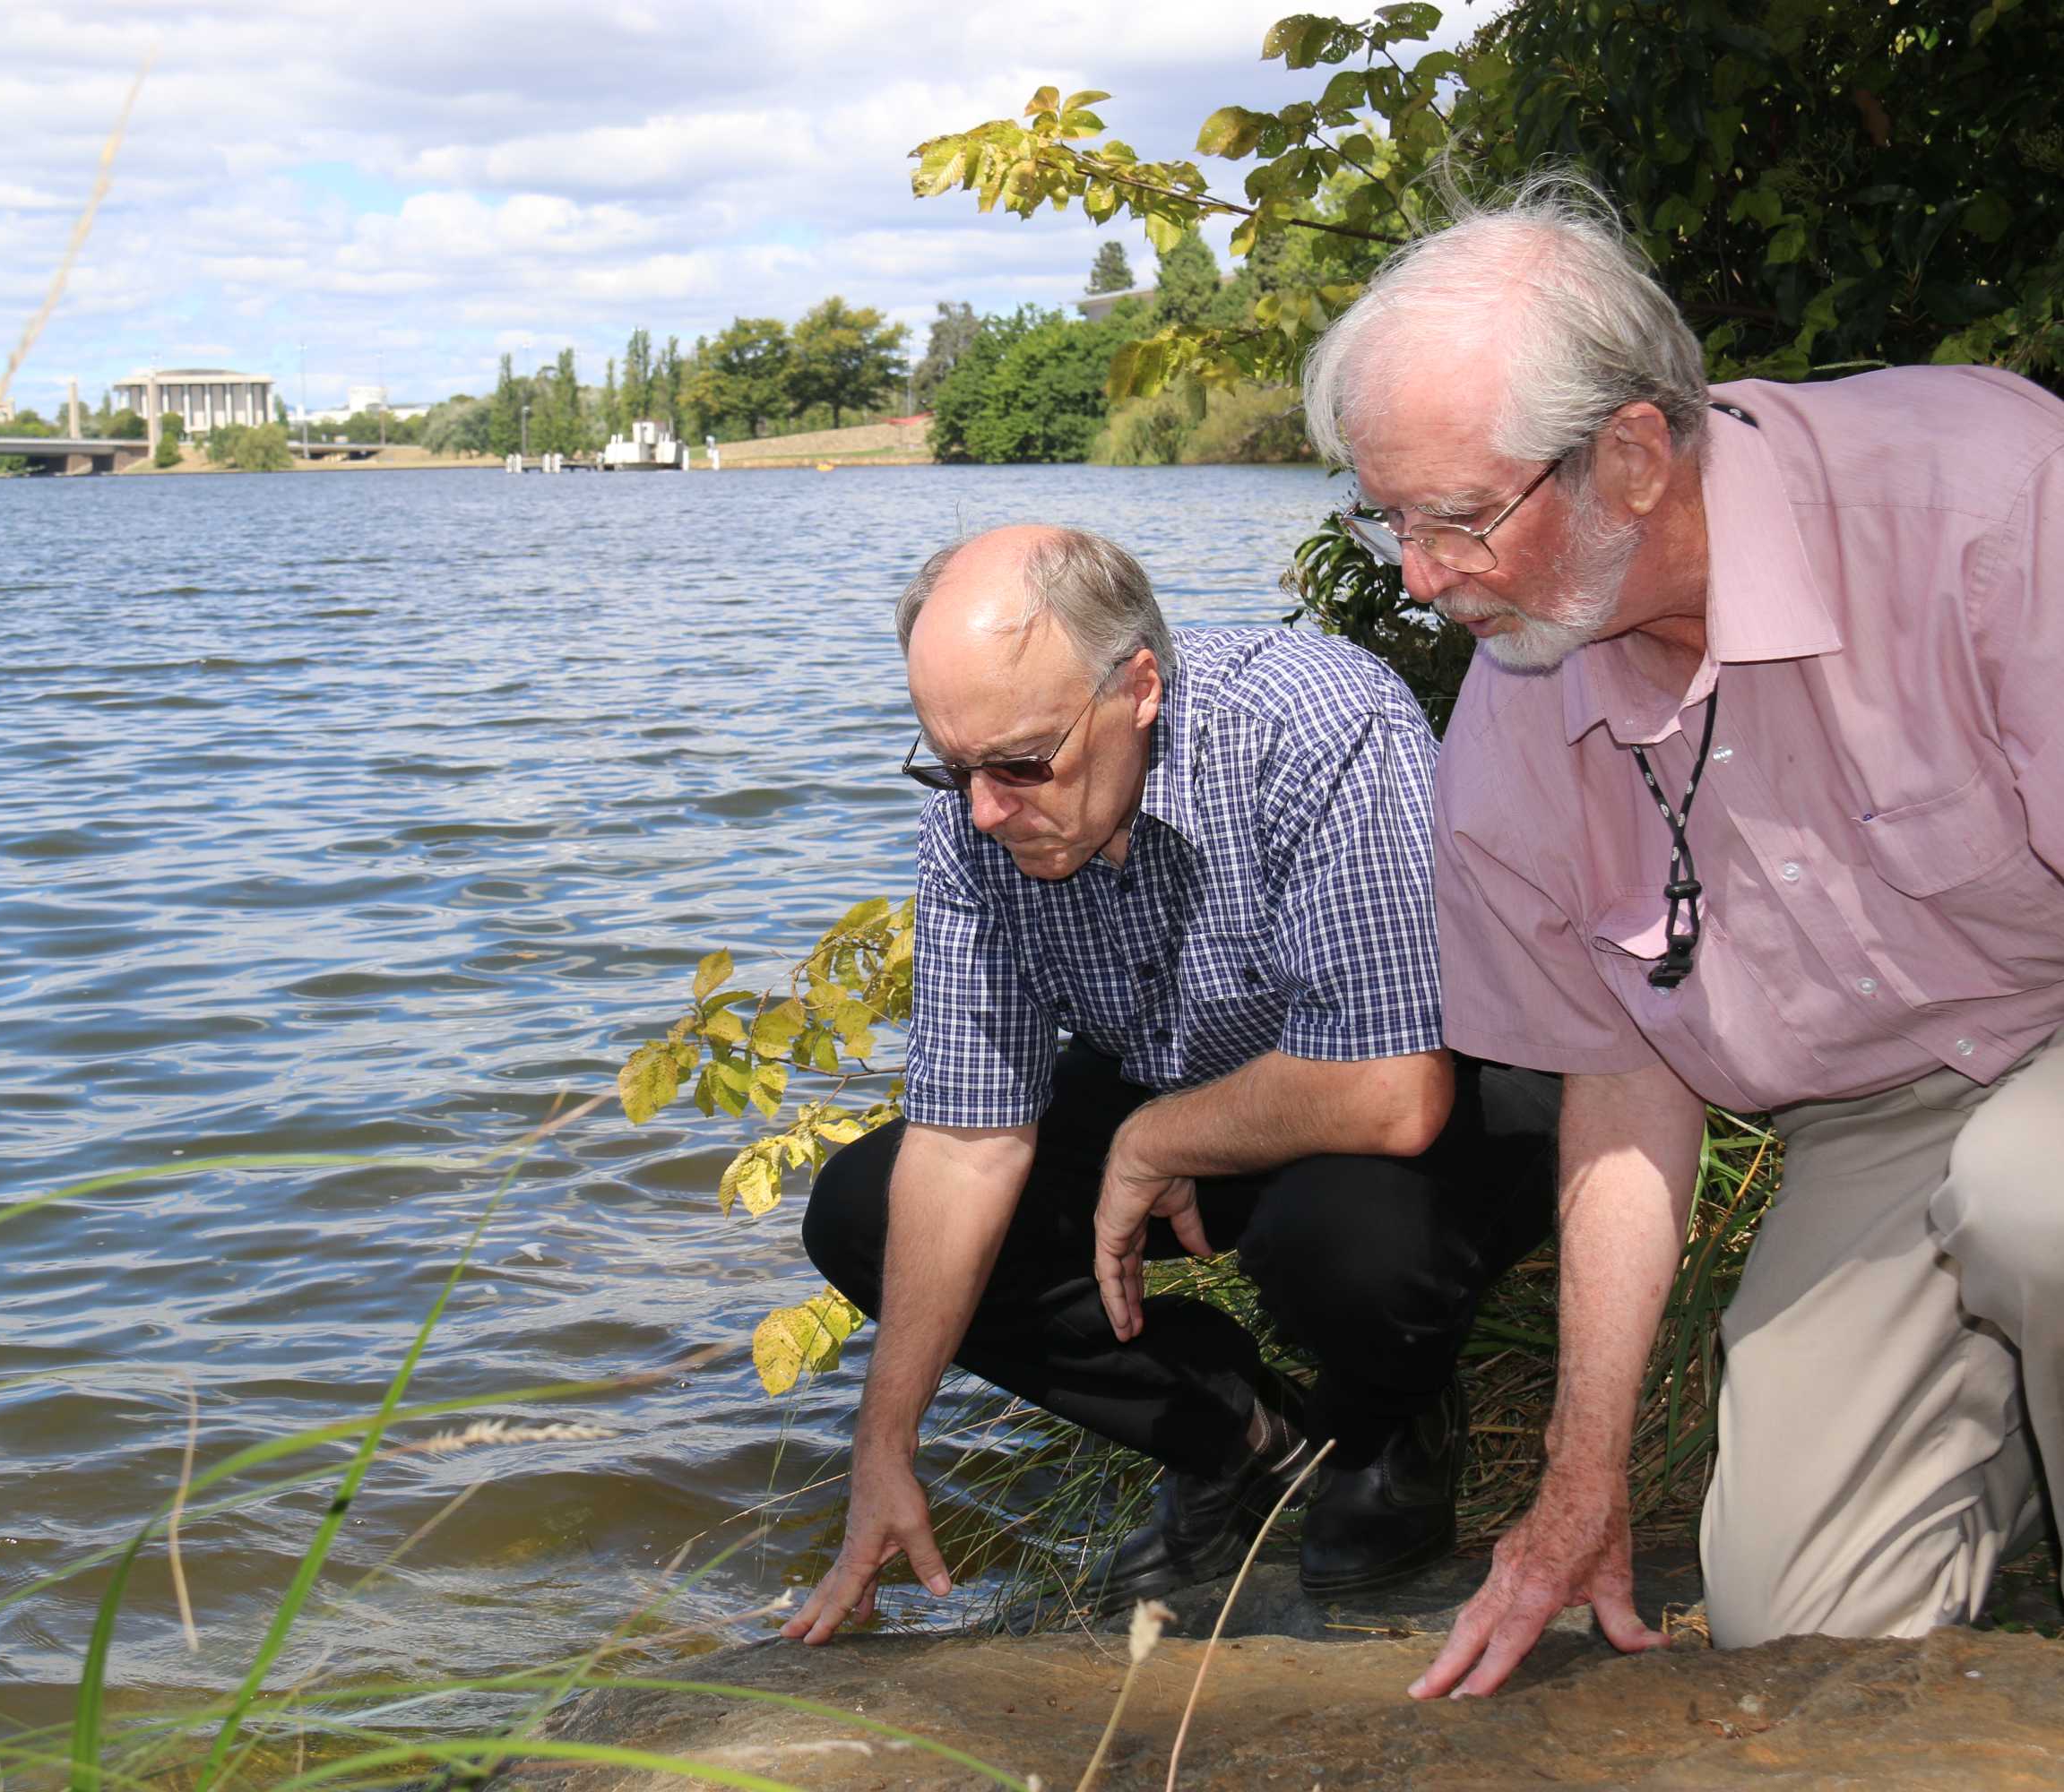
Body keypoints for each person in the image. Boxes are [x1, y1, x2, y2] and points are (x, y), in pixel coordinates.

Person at [1294, 172, 2064, 1701]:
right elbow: (1624, 1089)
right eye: (1387, 520)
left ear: (1635, 457)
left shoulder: (1996, 504)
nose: (1418, 580)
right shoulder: (1513, 725)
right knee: (1797, 1627)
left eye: (1456, 519)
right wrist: (1581, 1488)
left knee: (2032, 1193)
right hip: (1884, 1114)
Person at [779, 523, 1562, 1647]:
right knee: (864, 1208)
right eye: (952, 768)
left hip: (1438, 1070)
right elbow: (965, 1142)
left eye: (1020, 763)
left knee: (1336, 1241)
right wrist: (885, 1445)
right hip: (1197, 1068)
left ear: (1137, 687)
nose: (986, 809)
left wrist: (1156, 1142)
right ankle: (1240, 1441)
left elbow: (1397, 1087)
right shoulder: (978, 809)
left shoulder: (1313, 720)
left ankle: (1392, 1420)